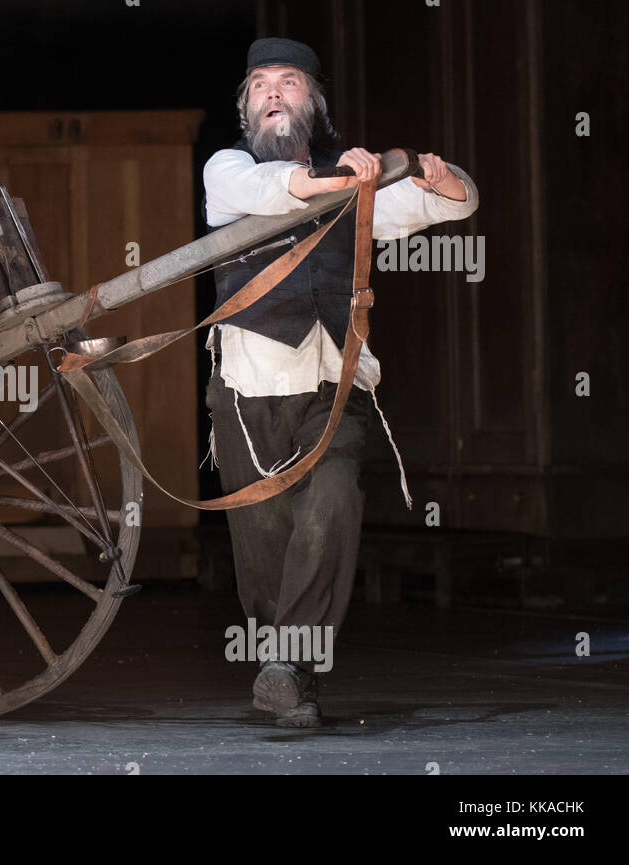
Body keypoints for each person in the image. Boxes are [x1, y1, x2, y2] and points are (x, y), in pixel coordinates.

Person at [202, 37, 478, 727]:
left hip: (333, 384)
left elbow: (454, 204)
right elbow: (274, 188)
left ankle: (289, 666)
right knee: (263, 545)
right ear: (247, 108)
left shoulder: (360, 190)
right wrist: (340, 180)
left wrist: (441, 182)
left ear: (312, 103)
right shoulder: (228, 171)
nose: (273, 93)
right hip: (246, 392)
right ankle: (288, 669)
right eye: (260, 84)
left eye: (289, 82)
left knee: (331, 502)